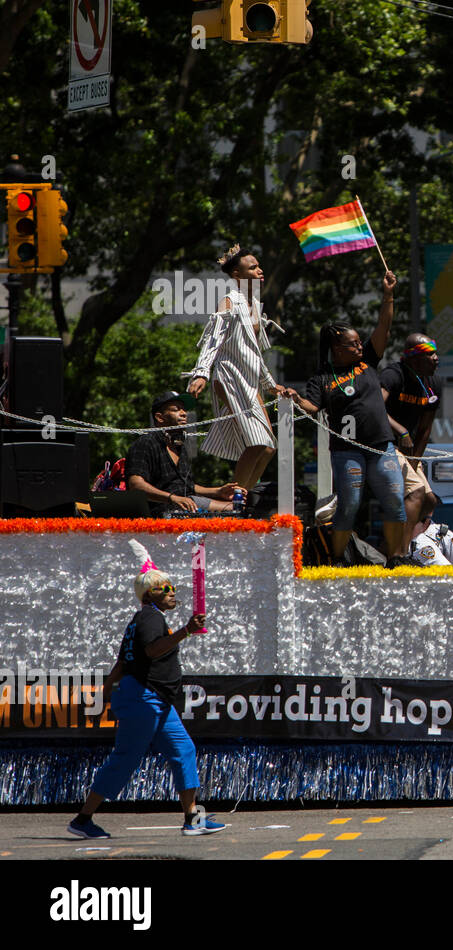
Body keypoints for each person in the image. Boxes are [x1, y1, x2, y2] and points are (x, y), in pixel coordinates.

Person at [68, 541, 225, 839]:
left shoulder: (142, 620)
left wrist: (104, 692)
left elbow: (123, 662)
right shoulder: (150, 618)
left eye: (172, 587)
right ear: (150, 594)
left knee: (183, 749)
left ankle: (192, 818)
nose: (172, 592)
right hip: (144, 697)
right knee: (126, 756)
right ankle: (83, 818)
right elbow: (152, 652)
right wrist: (186, 631)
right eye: (165, 588)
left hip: (154, 699)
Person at [292, 271, 406, 564]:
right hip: (346, 451)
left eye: (359, 343)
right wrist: (292, 398)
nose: (359, 347)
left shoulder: (368, 360)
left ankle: (395, 559)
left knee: (394, 502)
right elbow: (312, 407)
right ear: (336, 350)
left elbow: (384, 325)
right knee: (350, 505)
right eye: (352, 345)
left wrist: (388, 295)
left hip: (381, 446)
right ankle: (337, 560)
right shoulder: (322, 378)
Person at [185, 245, 293, 489]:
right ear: (237, 275)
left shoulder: (255, 303)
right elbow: (213, 339)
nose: (260, 270)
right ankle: (234, 504)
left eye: (258, 265)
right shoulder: (230, 302)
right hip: (230, 377)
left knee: (267, 447)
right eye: (252, 267)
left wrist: (270, 384)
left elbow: (254, 353)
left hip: (250, 379)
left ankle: (240, 498)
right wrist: (201, 373)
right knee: (257, 443)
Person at [125, 392, 239, 515]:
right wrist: (172, 498)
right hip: (160, 512)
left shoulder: (180, 446)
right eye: (176, 410)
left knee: (242, 506)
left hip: (189, 505)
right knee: (234, 509)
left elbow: (188, 486)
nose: (184, 413)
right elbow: (136, 485)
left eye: (184, 410)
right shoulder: (145, 443)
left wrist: (217, 491)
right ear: (160, 417)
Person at [380, 333, 443, 547]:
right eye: (430, 354)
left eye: (436, 353)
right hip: (384, 444)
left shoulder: (433, 382)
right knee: (416, 492)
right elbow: (375, 408)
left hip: (408, 450)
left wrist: (415, 459)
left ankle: (393, 544)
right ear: (413, 358)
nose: (436, 358)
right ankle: (401, 553)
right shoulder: (393, 374)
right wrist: (402, 431)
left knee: (429, 500)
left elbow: (425, 428)